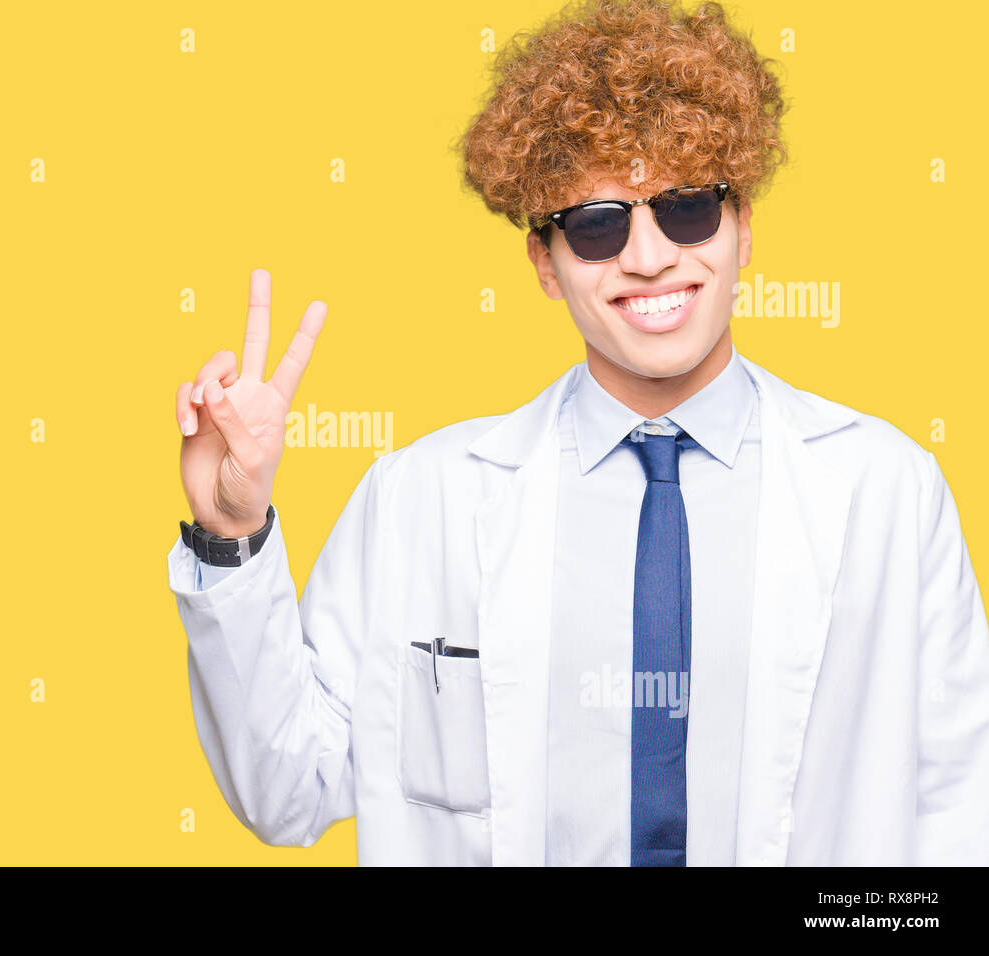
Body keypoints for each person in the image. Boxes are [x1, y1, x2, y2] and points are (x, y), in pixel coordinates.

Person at [165, 0, 989, 865]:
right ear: (545, 264)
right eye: (598, 224)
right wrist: (231, 532)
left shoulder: (888, 490)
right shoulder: (422, 497)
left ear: (743, 227)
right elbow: (287, 792)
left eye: (686, 209)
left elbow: (960, 808)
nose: (649, 258)